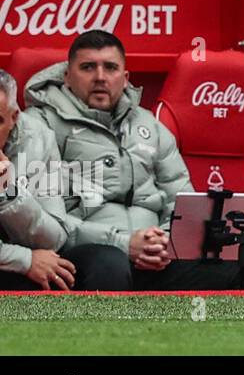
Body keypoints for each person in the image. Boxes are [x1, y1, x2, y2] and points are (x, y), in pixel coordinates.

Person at [5, 30, 244, 289]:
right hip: (83, 253)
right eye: (88, 67)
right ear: (67, 77)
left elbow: (181, 203)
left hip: (155, 257)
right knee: (110, 263)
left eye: (111, 68)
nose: (100, 77)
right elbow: (42, 218)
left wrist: (163, 243)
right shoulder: (39, 125)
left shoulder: (151, 125)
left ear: (125, 78)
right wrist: (124, 244)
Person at [0, 66, 144, 291]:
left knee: (107, 264)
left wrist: (8, 192)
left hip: (33, 256)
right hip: (18, 259)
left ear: (14, 118)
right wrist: (24, 260)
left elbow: (53, 238)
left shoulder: (37, 139)